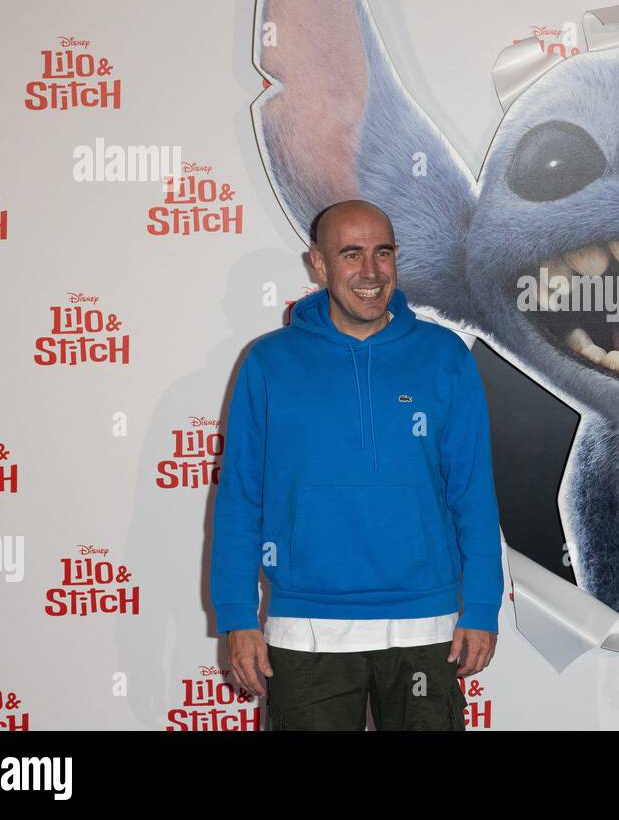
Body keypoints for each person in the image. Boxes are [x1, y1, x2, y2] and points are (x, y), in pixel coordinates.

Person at [210, 199, 503, 730]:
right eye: (351, 254)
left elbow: (472, 495)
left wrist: (481, 605)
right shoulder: (269, 362)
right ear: (318, 265)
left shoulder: (445, 357)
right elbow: (241, 498)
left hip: (425, 628)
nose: (370, 272)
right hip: (305, 629)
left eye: (382, 253)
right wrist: (236, 614)